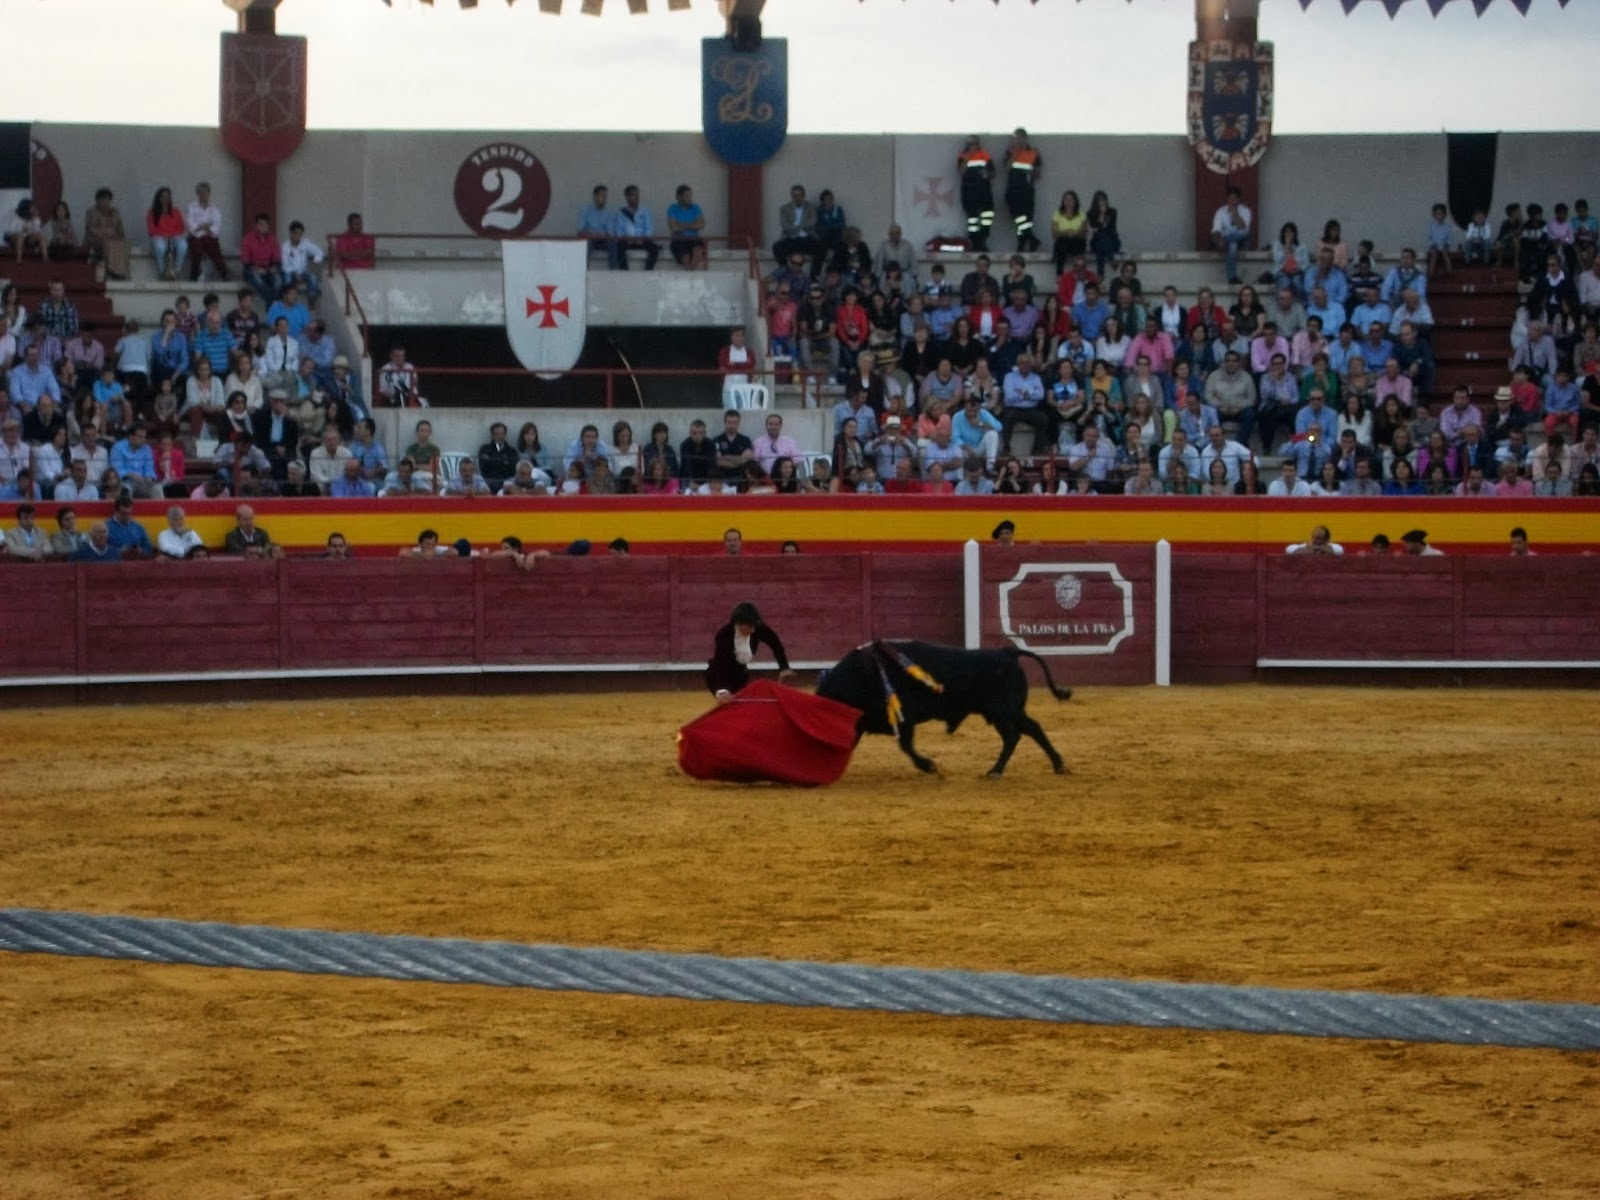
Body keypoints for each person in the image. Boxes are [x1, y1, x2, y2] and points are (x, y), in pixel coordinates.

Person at [705, 600, 795, 702]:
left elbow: (775, 644)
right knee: (727, 703)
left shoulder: (757, 628)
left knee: (738, 704)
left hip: (741, 674)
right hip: (718, 675)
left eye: (754, 626)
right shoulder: (724, 636)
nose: (753, 630)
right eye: (750, 627)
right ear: (739, 624)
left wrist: (784, 667)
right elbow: (720, 665)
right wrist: (721, 690)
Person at [957, 136, 995, 252]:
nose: (973, 145)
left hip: (984, 191)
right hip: (969, 192)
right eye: (970, 143)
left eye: (975, 143)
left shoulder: (985, 155)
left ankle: (982, 241)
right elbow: (960, 171)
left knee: (987, 218)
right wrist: (968, 157)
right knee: (972, 220)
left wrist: (986, 174)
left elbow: (993, 173)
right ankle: (975, 244)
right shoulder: (963, 155)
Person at [1211, 186, 1252, 285]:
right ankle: (1232, 278)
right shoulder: (1221, 212)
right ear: (1227, 200)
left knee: (1243, 233)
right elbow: (1216, 231)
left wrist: (1235, 215)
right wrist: (1218, 241)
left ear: (1239, 200)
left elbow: (1243, 229)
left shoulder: (1245, 211)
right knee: (1232, 246)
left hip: (1242, 240)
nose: (1232, 202)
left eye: (1235, 199)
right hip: (1227, 243)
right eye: (1230, 199)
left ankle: (1227, 240)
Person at [613, 185, 660, 270]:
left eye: (637, 195)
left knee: (655, 249)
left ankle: (647, 271)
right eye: (634, 195)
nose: (637, 197)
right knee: (618, 248)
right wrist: (627, 239)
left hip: (642, 240)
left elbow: (649, 229)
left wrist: (642, 238)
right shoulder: (621, 213)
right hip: (627, 241)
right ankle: (624, 272)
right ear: (627, 197)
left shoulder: (645, 211)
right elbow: (618, 231)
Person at [666, 184, 707, 269]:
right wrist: (693, 224)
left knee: (698, 251)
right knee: (685, 257)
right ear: (679, 197)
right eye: (687, 196)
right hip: (679, 240)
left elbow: (702, 225)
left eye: (690, 195)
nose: (690, 198)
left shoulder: (696, 208)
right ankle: (688, 273)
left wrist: (681, 225)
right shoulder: (672, 209)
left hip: (694, 238)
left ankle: (690, 273)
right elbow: (674, 228)